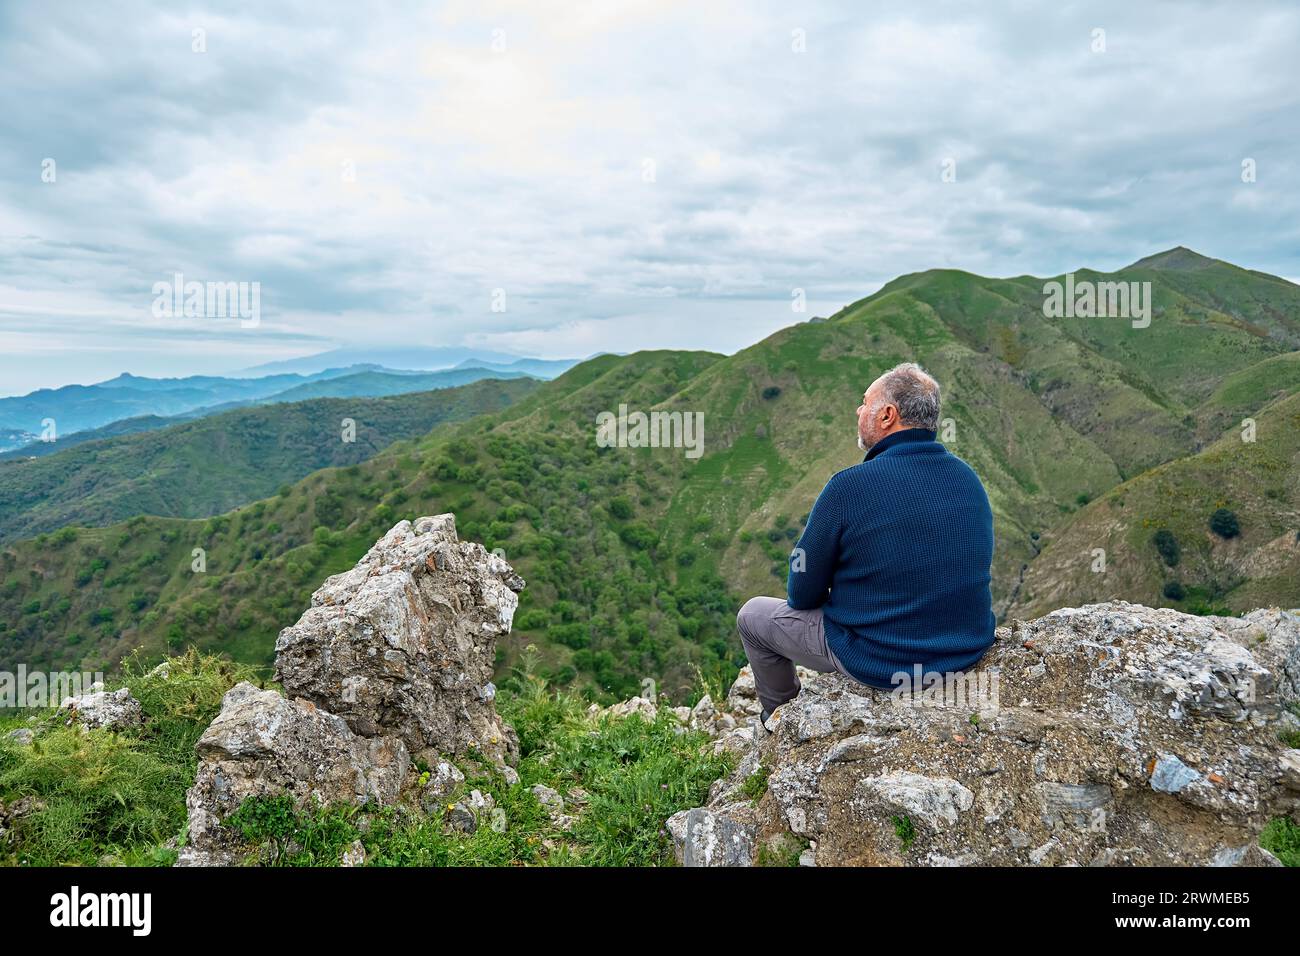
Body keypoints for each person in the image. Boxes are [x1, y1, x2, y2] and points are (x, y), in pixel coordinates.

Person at [736, 362, 995, 725]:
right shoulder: (968, 479)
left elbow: (801, 593)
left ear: (888, 415)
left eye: (865, 403)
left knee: (752, 616)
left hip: (880, 661)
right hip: (964, 651)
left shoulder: (848, 487)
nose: (859, 411)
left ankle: (779, 718)